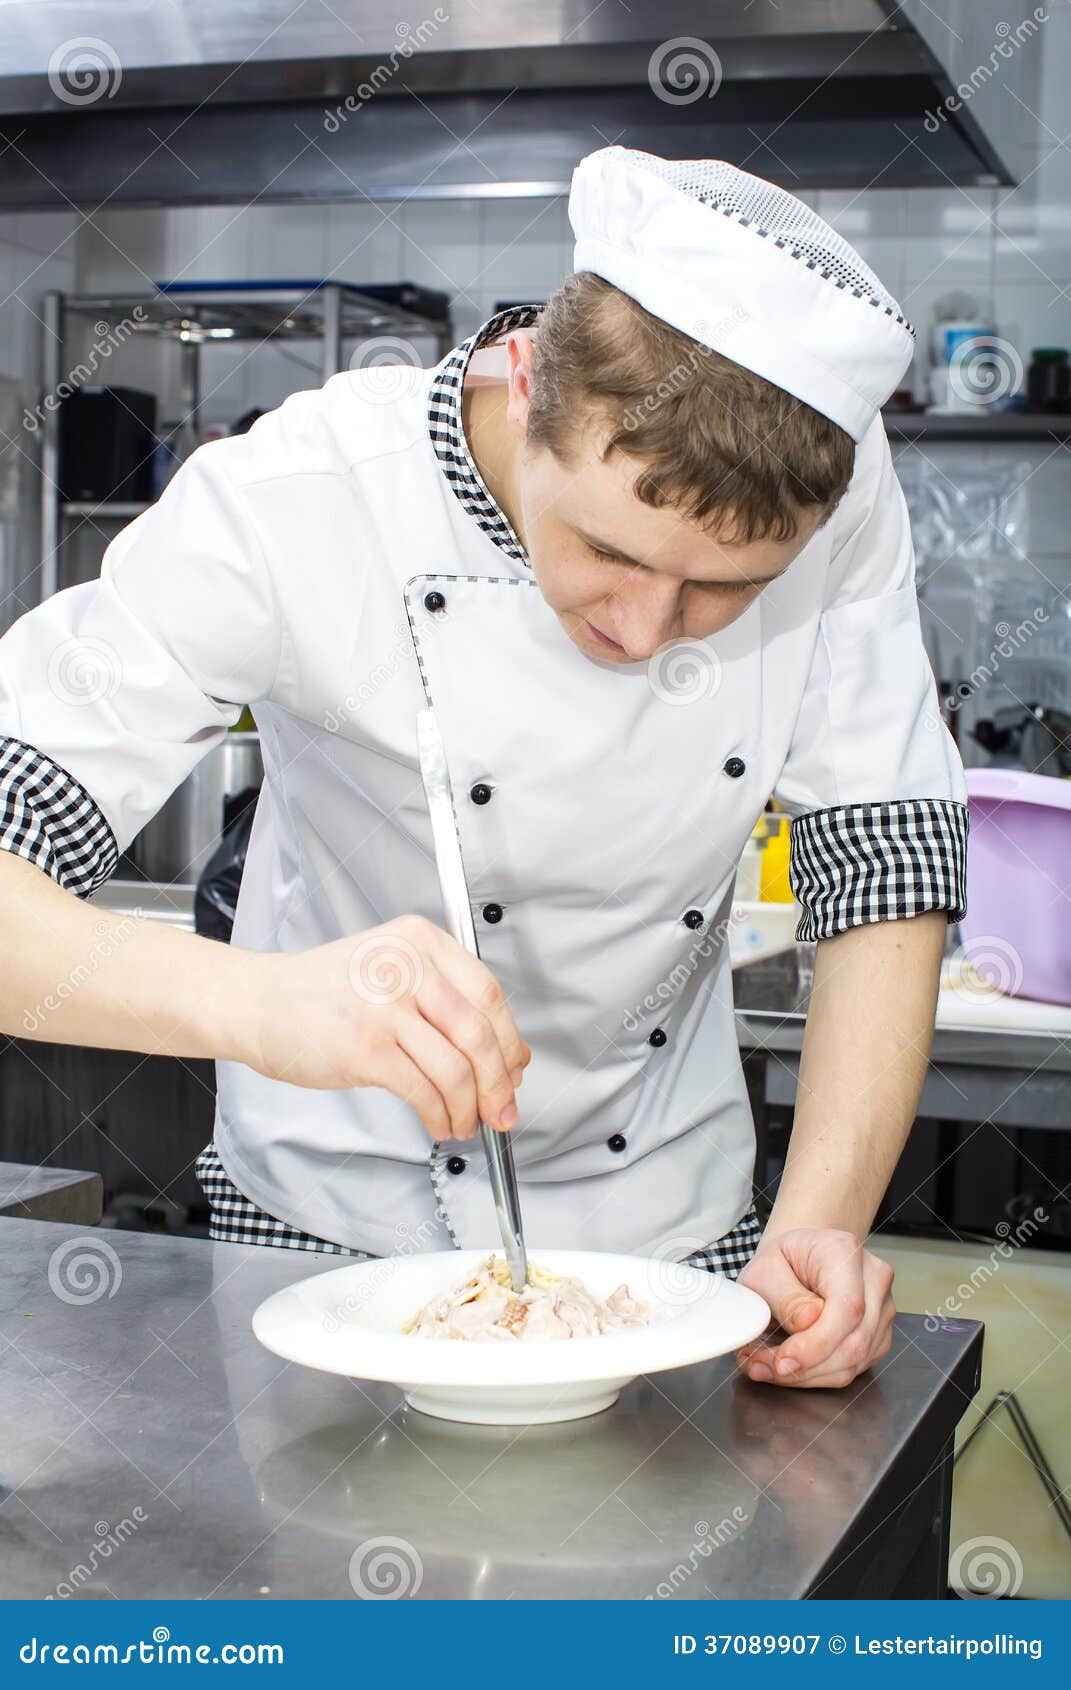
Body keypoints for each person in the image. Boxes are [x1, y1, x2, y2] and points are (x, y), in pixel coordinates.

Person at [0, 148, 967, 1390]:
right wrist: (267, 1005)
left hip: (680, 1234)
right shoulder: (299, 498)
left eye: (729, 588)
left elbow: (884, 859)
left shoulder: (848, 501)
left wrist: (822, 1221)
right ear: (525, 385)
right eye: (604, 548)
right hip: (324, 1234)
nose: (644, 628)